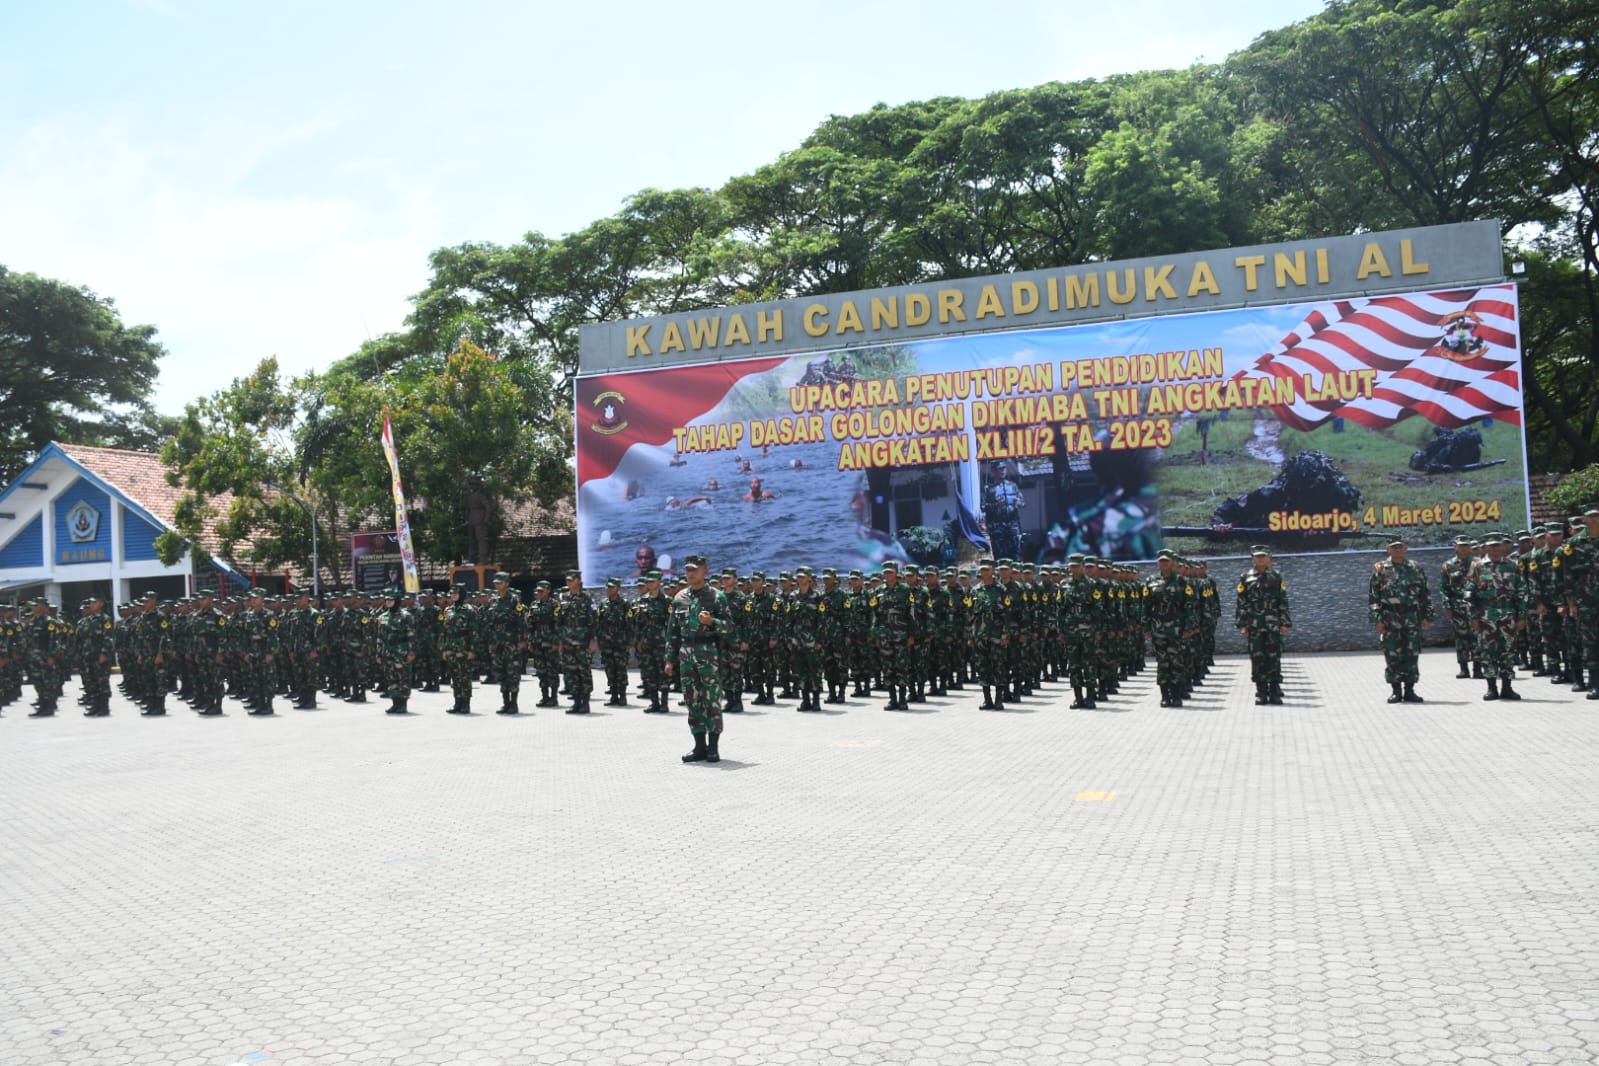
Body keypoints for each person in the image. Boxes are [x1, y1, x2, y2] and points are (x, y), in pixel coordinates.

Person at [666, 555, 731, 763]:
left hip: (707, 652)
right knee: (692, 700)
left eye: (695, 569)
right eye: (688, 569)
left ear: (705, 571)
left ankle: (713, 747)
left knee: (711, 700)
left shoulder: (716, 596)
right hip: (686, 653)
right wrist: (669, 658)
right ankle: (699, 747)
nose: (690, 573)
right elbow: (672, 631)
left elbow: (730, 628)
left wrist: (712, 621)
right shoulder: (679, 598)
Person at [1368, 537, 1432, 703]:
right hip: (1390, 618)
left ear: (1406, 548)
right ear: (1387, 549)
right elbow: (1374, 596)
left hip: (1412, 617)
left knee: (1412, 654)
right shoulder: (1380, 568)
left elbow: (1425, 594)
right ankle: (1396, 690)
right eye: (1394, 547)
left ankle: (1410, 690)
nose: (1397, 550)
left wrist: (1427, 616)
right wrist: (1377, 619)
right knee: (1392, 654)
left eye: (1400, 547)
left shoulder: (1416, 568)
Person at [1466, 531, 1526, 701]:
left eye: (1498, 545)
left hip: (1508, 614)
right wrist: (1474, 616)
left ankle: (1507, 687)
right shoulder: (1478, 566)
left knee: (1508, 651)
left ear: (1503, 546)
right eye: (1492, 546)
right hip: (1486, 615)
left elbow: (1522, 592)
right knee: (1488, 652)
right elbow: (1469, 593)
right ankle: (1491, 688)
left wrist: (1522, 616)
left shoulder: (1513, 566)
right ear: (1486, 547)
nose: (1495, 549)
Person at [1235, 546, 1291, 705]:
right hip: (1254, 624)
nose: (1260, 559)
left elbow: (1283, 601)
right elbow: (1241, 603)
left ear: (1269, 559)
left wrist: (1285, 622)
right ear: (1252, 559)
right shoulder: (1245, 578)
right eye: (1257, 557)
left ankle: (1274, 690)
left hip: (1273, 624)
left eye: (1263, 556)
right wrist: (1242, 624)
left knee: (1274, 656)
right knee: (1257, 657)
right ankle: (1261, 691)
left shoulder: (1276, 577)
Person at [485, 572, 528, 714]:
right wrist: (491, 641)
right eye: (496, 582)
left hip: (511, 642)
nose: (497, 585)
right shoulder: (494, 600)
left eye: (500, 582)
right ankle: (506, 703)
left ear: (507, 583)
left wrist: (522, 640)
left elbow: (522, 622)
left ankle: (514, 703)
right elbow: (490, 623)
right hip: (497, 643)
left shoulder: (514, 600)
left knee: (513, 673)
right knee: (500, 672)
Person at [556, 570, 598, 713]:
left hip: (583, 642)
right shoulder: (564, 598)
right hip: (567, 641)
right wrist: (560, 641)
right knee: (570, 672)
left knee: (583, 671)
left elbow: (593, 620)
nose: (568, 582)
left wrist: (592, 639)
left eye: (572, 580)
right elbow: (559, 622)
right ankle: (575, 702)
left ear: (579, 580)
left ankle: (585, 703)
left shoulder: (587, 597)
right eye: (567, 580)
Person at [1440, 536, 1480, 678]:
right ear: (1455, 547)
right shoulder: (1448, 565)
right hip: (1457, 608)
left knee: (1477, 637)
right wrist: (1447, 606)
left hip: (1475, 607)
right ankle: (1464, 668)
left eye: (1466, 546)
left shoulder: (1478, 564)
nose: (1463, 548)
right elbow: (1444, 588)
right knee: (1460, 638)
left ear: (1470, 547)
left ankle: (1478, 668)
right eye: (1460, 546)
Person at [375, 588, 417, 715]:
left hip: (401, 652)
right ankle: (395, 702)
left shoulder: (406, 616)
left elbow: (411, 635)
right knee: (391, 678)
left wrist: (411, 652)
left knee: (403, 678)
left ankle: (403, 704)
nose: (388, 602)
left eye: (391, 600)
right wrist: (378, 653)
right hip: (387, 653)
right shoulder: (383, 617)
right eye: (387, 600)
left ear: (397, 600)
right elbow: (380, 637)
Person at [596, 578, 633, 706]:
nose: (609, 589)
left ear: (618, 588)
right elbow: (599, 624)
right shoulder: (603, 604)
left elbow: (630, 625)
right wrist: (599, 641)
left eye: (612, 587)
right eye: (608, 587)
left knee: (621, 669)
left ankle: (622, 696)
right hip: (606, 643)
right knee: (609, 669)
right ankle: (613, 696)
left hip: (620, 642)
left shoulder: (625, 604)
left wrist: (630, 642)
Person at [982, 462, 1024, 562]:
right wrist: (996, 505)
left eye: (1004, 468)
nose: (1002, 471)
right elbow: (983, 506)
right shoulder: (988, 488)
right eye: (999, 469)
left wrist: (1018, 503)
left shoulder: (1013, 486)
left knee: (1016, 553)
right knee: (999, 555)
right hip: (997, 526)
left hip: (1012, 524)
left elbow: (1022, 502)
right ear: (993, 471)